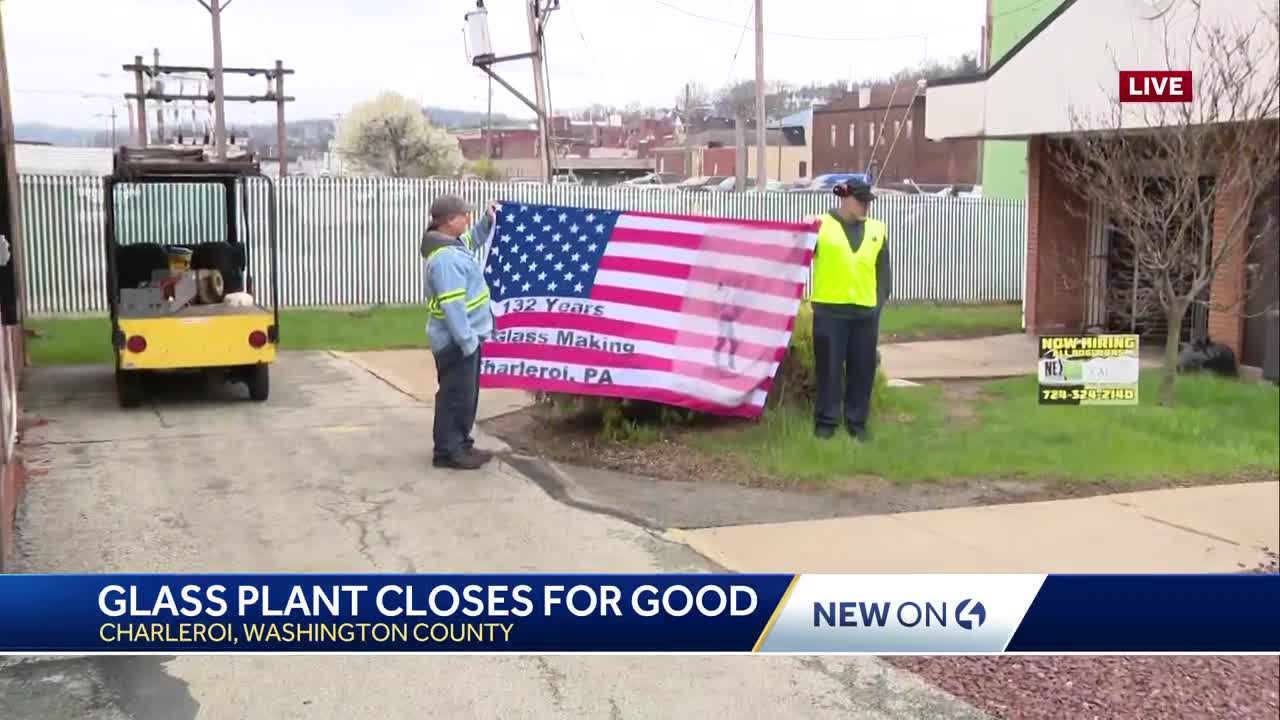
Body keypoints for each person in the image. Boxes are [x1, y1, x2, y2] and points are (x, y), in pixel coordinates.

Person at [808, 180, 893, 441]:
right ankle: (826, 424)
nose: (866, 206)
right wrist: (804, 228)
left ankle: (857, 425)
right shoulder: (819, 225)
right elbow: (794, 254)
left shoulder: (878, 229)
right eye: (861, 201)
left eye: (868, 201)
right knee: (829, 370)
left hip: (864, 314)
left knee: (862, 371)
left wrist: (876, 307)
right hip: (830, 310)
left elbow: (884, 276)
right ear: (844, 199)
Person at [420, 194, 496, 470]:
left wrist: (488, 222)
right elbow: (453, 307)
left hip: (466, 339)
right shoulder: (444, 260)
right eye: (465, 215)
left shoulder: (452, 247)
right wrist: (467, 342)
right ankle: (448, 451)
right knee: (455, 397)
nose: (469, 218)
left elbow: (472, 240)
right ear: (451, 220)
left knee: (465, 396)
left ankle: (461, 444)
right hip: (456, 341)